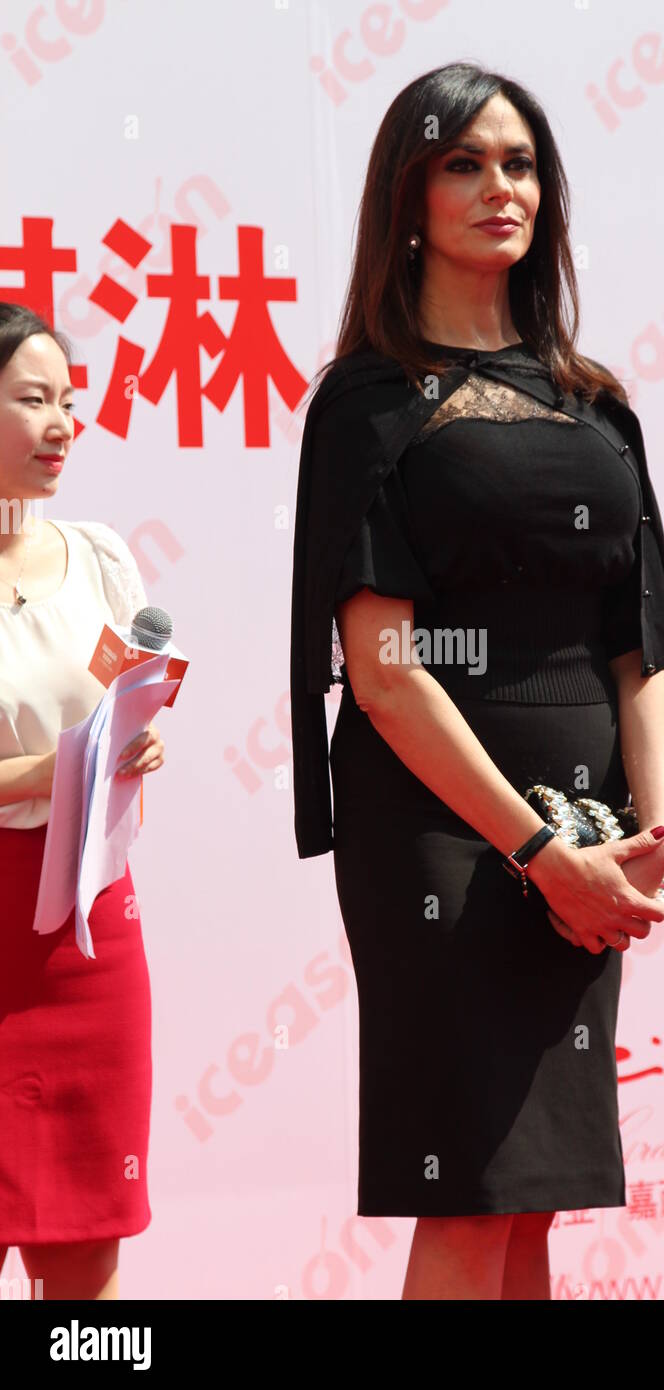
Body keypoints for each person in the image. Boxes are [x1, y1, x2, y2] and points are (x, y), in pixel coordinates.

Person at [290, 62, 664, 1300]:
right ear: (406, 198)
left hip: (588, 835)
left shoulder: (594, 404)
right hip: (445, 841)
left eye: (516, 162)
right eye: (462, 162)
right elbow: (383, 673)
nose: (496, 186)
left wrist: (646, 832)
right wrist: (533, 851)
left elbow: (638, 642)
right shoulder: (368, 403)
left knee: (533, 1210)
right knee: (466, 1202)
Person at [0, 303, 166, 1299]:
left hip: (90, 937)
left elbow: (118, 701)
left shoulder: (101, 560)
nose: (64, 422)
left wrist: (135, 742)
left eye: (70, 400)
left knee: (86, 1253)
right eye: (32, 400)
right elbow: (63, 758)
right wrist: (49, 770)